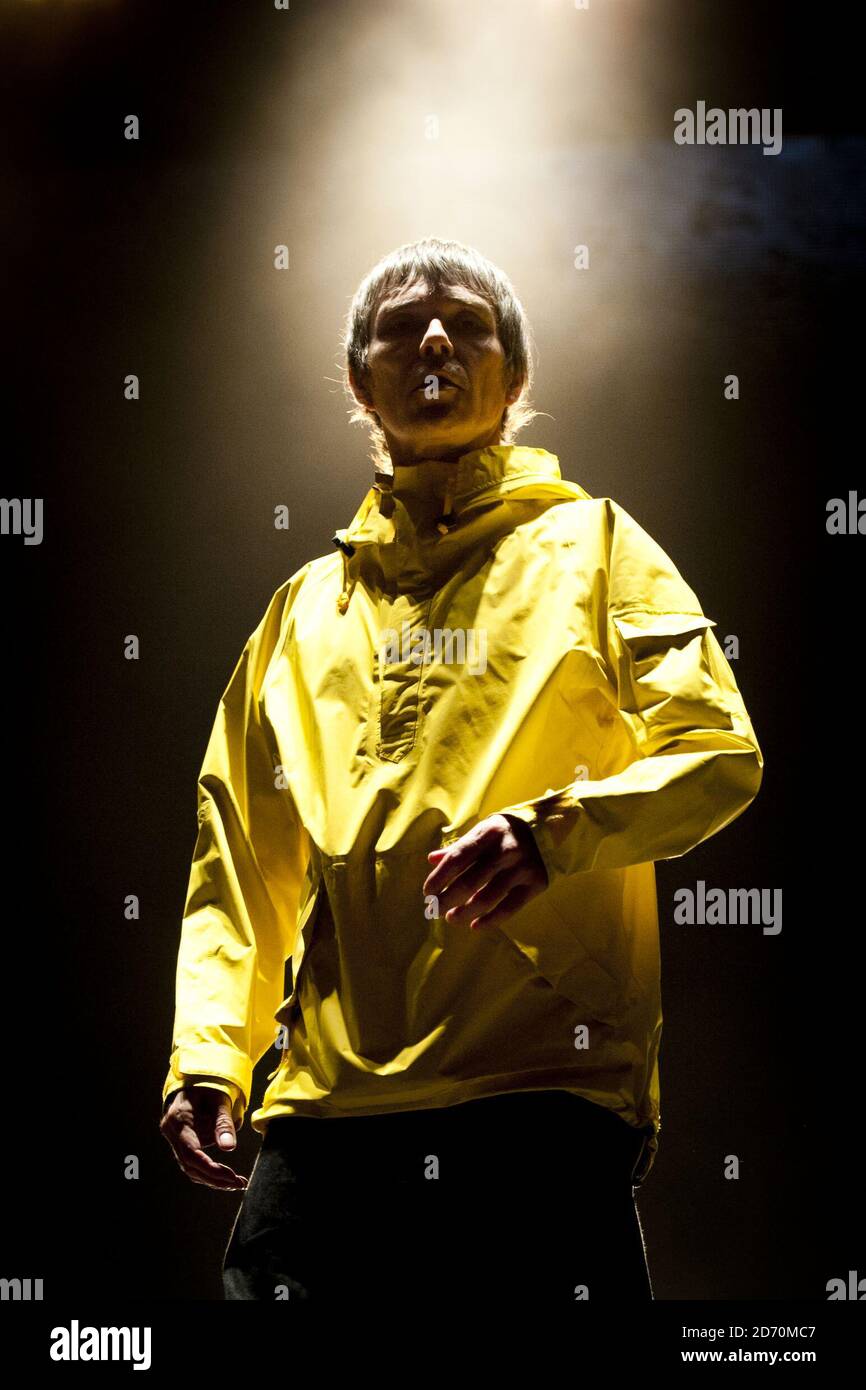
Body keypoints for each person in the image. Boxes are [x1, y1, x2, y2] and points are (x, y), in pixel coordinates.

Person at [160, 236, 763, 1305]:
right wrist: (208, 1053)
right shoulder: (299, 616)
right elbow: (240, 864)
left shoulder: (597, 548)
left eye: (467, 322)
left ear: (513, 377)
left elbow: (717, 756)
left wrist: (555, 831)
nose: (433, 336)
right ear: (359, 382)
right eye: (398, 325)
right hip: (324, 1115)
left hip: (538, 1091)